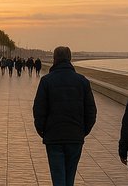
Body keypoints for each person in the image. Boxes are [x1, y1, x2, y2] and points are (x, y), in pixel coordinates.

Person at [33, 46, 97, 186]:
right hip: (75, 137)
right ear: (70, 59)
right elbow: (91, 111)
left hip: (53, 137)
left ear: (54, 59)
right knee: (70, 177)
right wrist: (83, 131)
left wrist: (42, 131)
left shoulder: (47, 81)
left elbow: (39, 110)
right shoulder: (82, 81)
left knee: (58, 178)